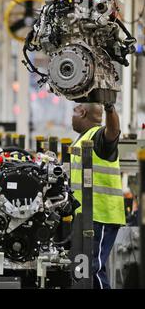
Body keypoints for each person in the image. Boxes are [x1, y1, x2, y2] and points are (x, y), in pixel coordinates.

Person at [70, 102, 125, 289]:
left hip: (99, 216)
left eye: (74, 111)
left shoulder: (100, 136)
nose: (72, 115)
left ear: (83, 112)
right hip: (85, 216)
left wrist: (110, 109)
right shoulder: (83, 138)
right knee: (83, 271)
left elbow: (113, 131)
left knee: (92, 270)